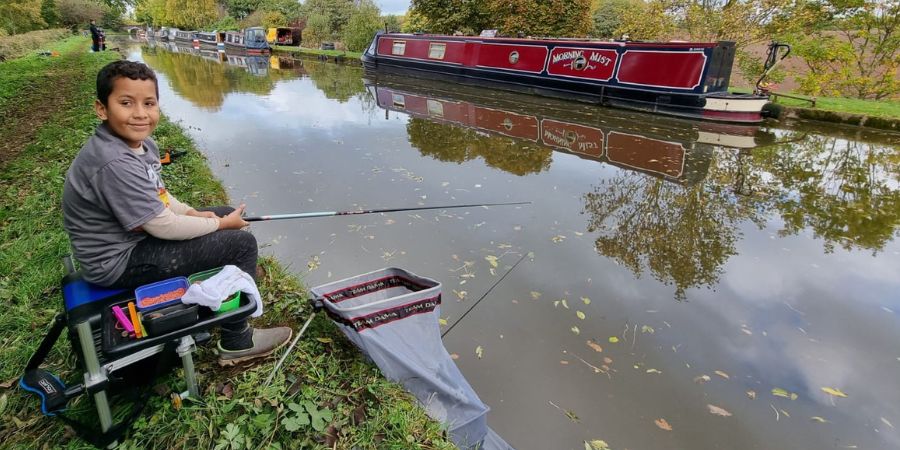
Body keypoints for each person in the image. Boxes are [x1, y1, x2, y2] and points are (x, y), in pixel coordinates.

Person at [62, 60, 291, 366]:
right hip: (116, 262)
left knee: (222, 215)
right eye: (126, 103)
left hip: (133, 241)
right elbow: (163, 226)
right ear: (102, 109)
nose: (140, 113)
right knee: (241, 244)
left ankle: (220, 290)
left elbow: (160, 196)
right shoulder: (113, 162)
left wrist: (194, 213)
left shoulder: (140, 144)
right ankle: (237, 341)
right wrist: (221, 225)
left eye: (149, 103)